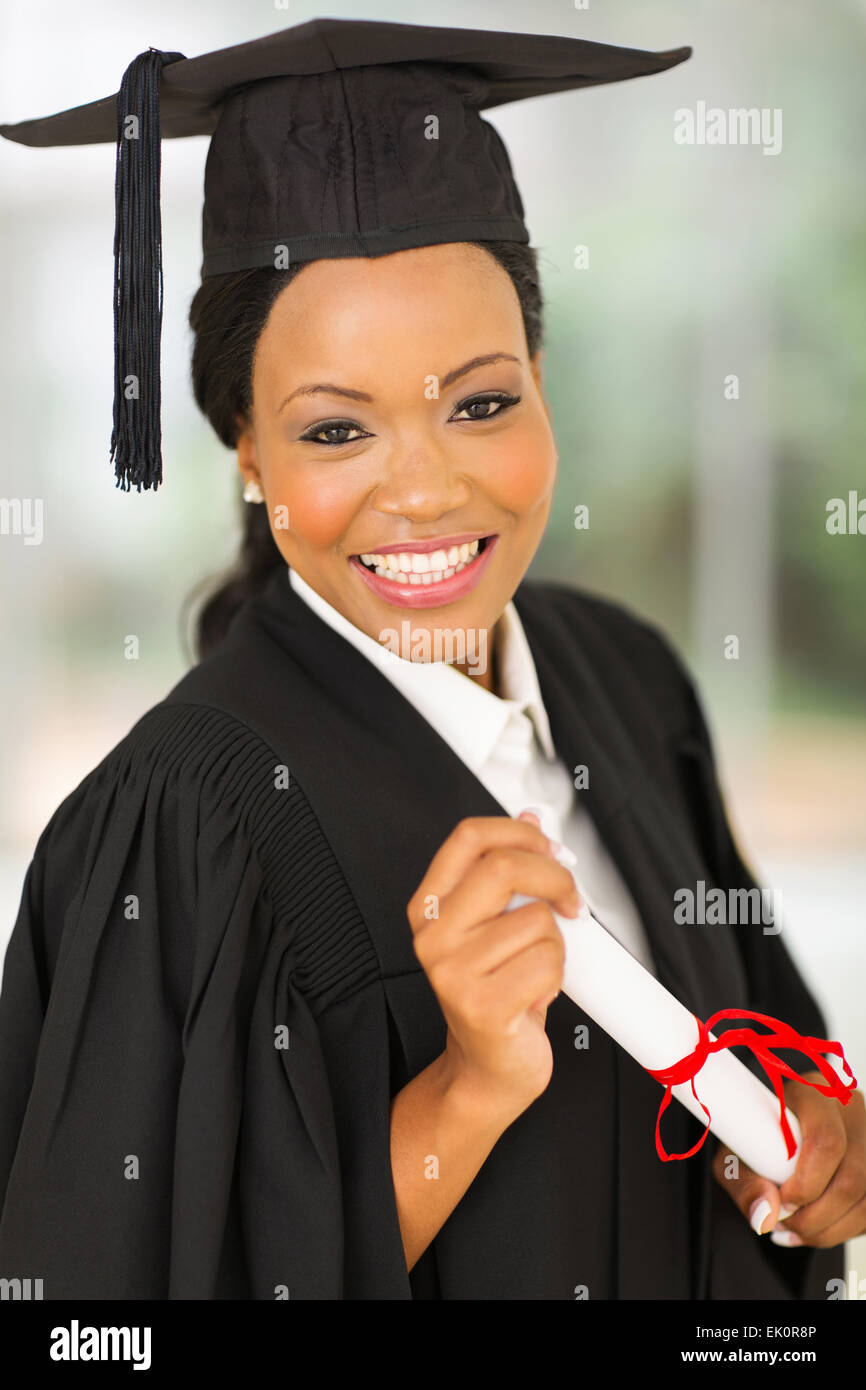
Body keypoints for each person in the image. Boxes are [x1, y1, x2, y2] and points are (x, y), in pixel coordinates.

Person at [0, 17, 862, 1301]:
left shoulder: (627, 679)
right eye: (337, 428)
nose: (425, 488)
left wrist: (820, 1133)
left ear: (542, 377)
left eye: (481, 401)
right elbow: (102, 1319)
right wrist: (465, 1091)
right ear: (244, 446)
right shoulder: (177, 824)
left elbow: (780, 1041)